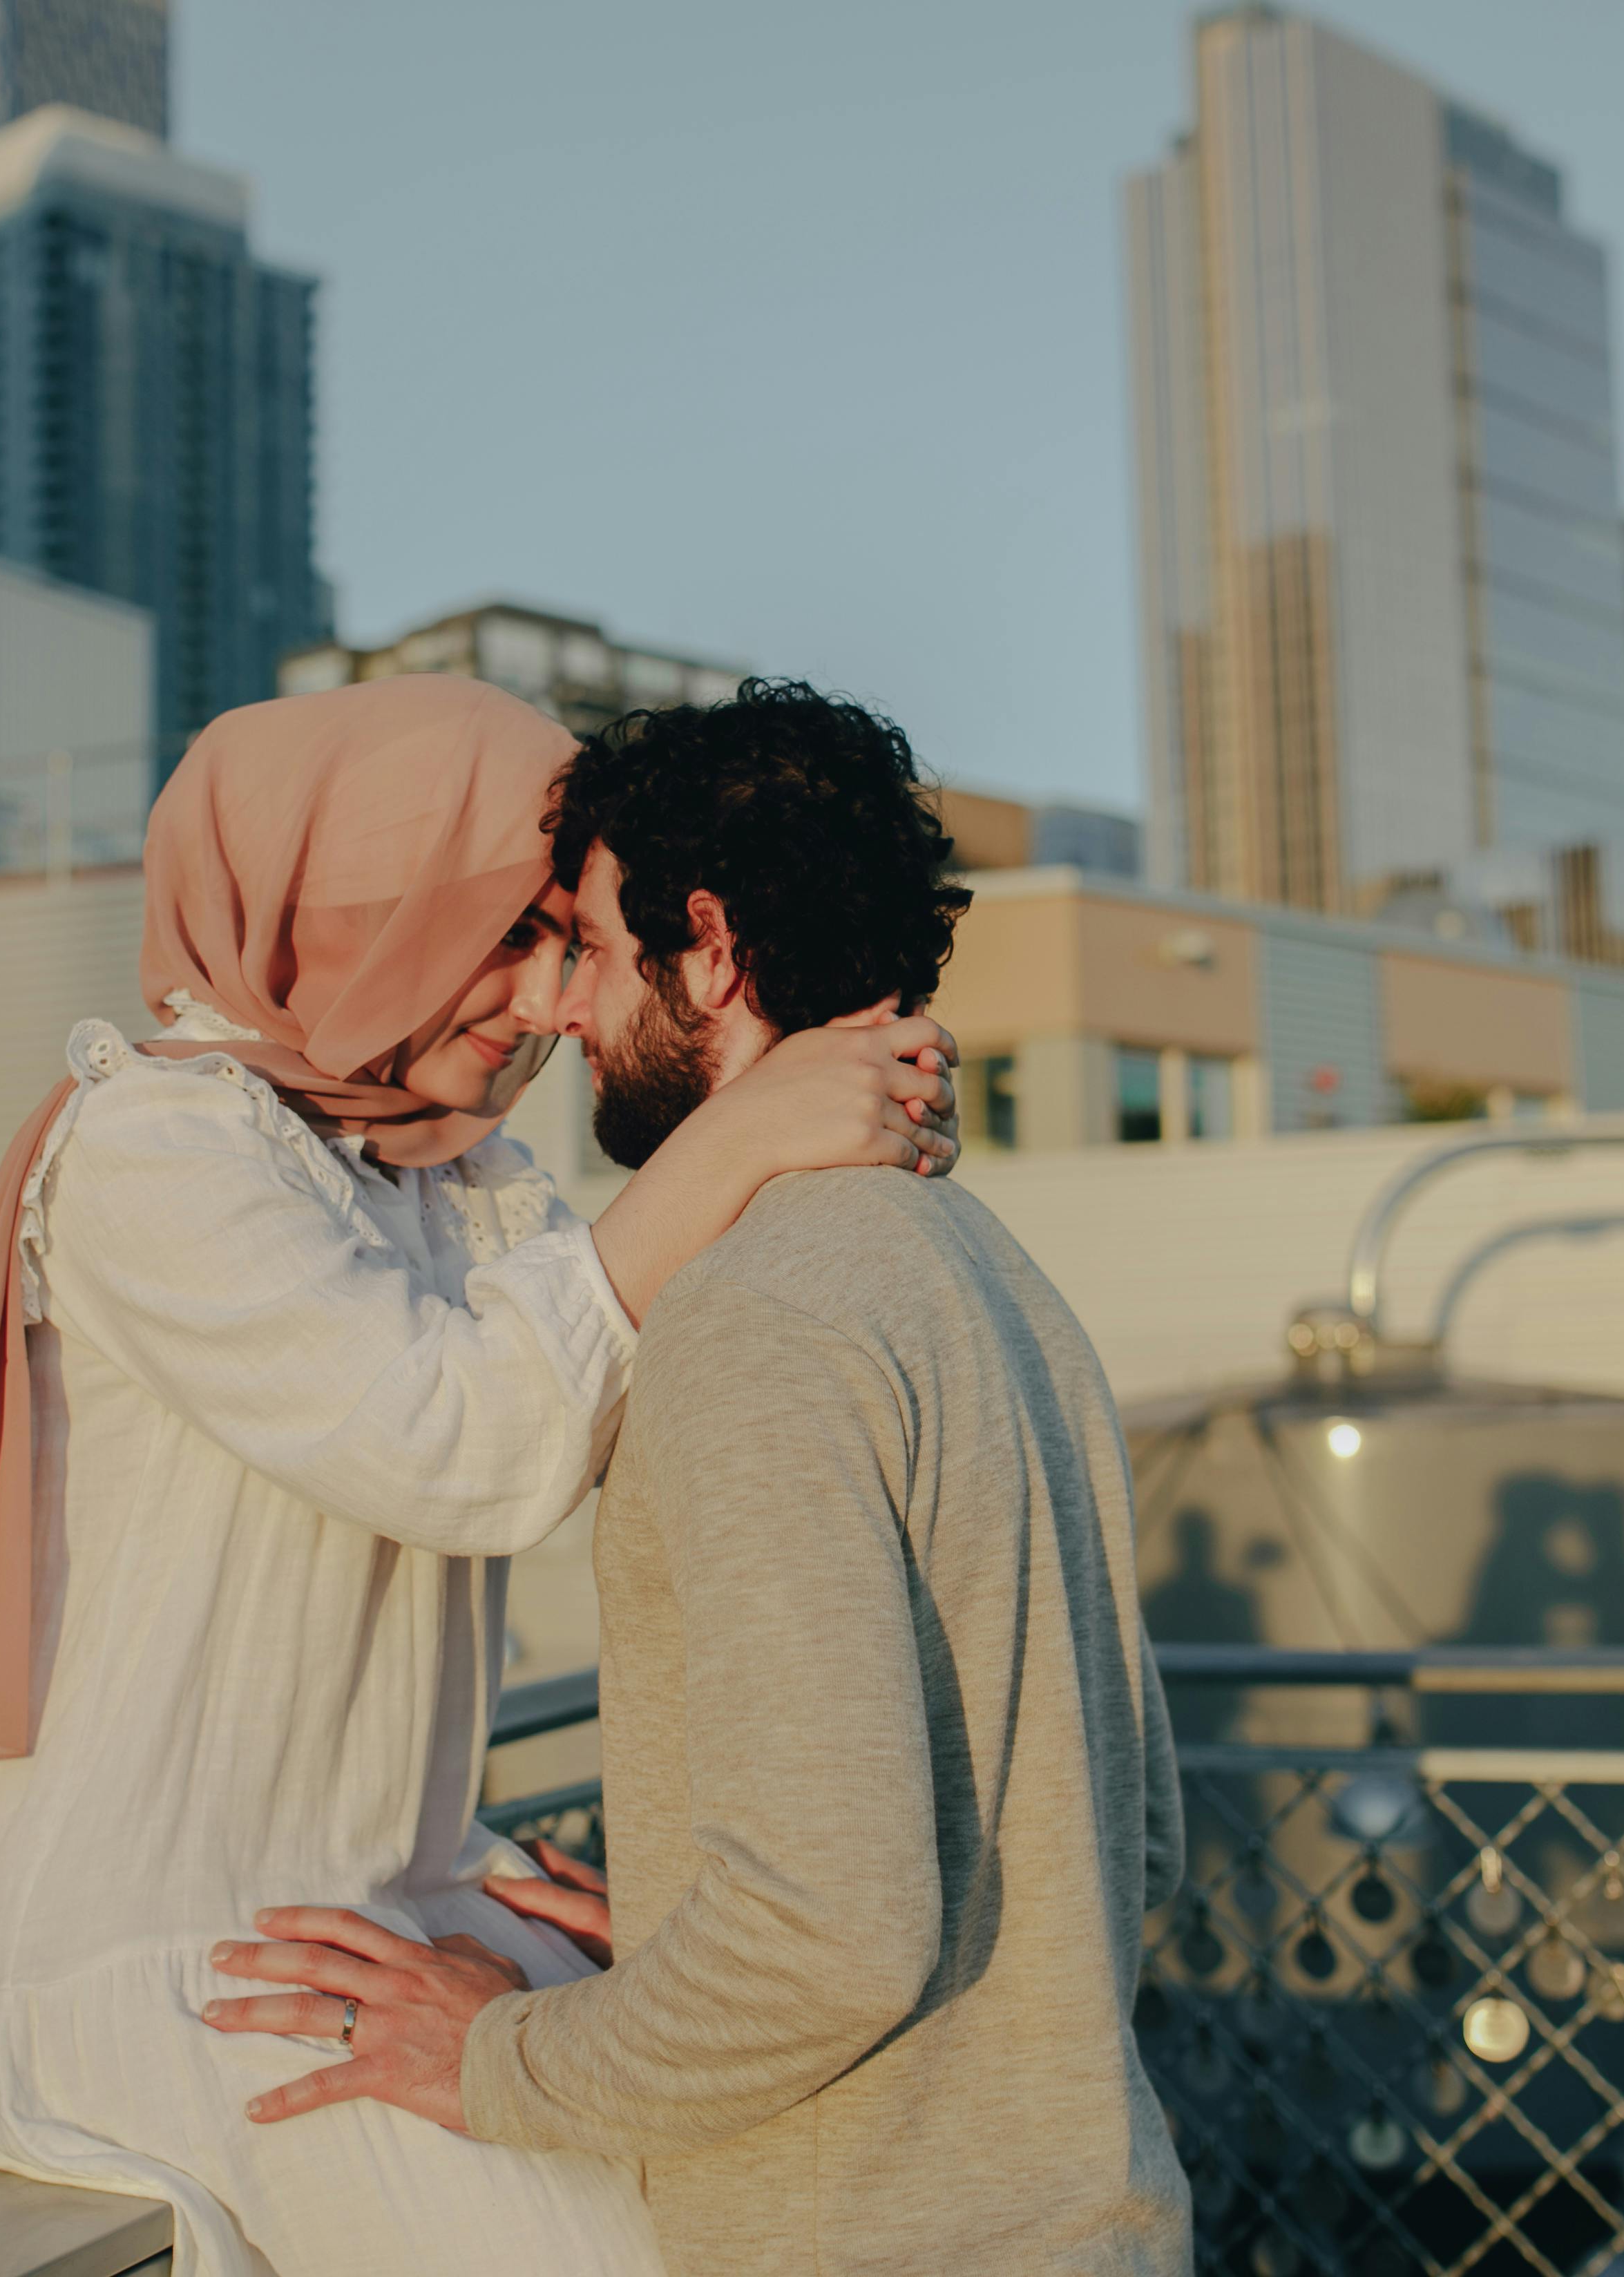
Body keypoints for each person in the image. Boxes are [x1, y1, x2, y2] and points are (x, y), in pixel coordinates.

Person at [0, 674, 958, 2277]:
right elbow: (460, 1443)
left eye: (575, 940)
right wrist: (741, 1136)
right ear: (353, 916)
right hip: (146, 1948)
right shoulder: (155, 1152)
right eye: (515, 933)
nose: (556, 1000)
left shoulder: (463, 1178)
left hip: (385, 1907)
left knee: (745, 2169)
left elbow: (657, 1382)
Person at [203, 681, 1192, 2276]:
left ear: (711, 947)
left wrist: (497, 2060)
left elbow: (831, 1937)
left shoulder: (755, 1320)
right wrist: (676, 1944)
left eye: (591, 949)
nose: (566, 1011)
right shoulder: (999, 1279)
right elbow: (1133, 1845)